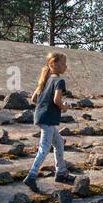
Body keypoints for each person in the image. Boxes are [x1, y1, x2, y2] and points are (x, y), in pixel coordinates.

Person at [24, 51, 75, 192]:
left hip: (40, 116)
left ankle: (61, 172)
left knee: (59, 142)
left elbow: (34, 98)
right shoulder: (59, 81)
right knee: (44, 147)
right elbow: (56, 100)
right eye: (63, 63)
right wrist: (64, 107)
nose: (65, 66)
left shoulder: (45, 79)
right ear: (54, 64)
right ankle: (31, 176)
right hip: (48, 119)